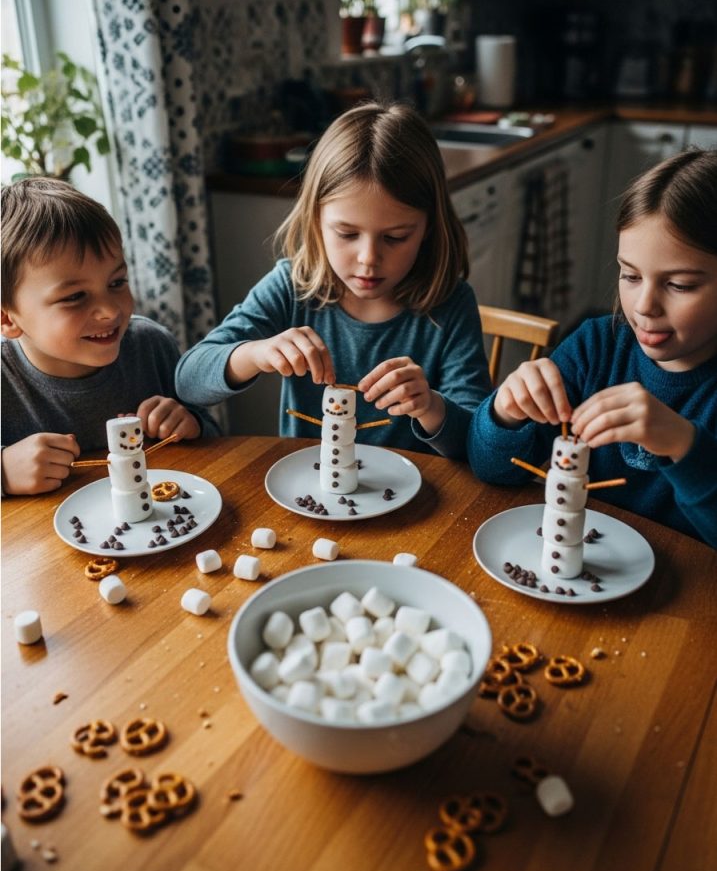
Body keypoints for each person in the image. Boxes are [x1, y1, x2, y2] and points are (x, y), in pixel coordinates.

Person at [176, 101, 491, 459]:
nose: (368, 258)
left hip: (419, 504)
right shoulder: (292, 287)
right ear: (316, 220)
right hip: (312, 499)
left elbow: (477, 443)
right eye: (346, 233)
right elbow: (188, 381)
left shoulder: (451, 304)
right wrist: (256, 352)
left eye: (396, 237)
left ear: (428, 227)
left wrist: (432, 406)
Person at [468, 148, 717, 548]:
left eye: (679, 285)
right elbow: (492, 469)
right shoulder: (597, 346)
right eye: (630, 276)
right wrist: (505, 414)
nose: (644, 305)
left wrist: (682, 443)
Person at [1, 178, 219, 496]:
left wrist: (192, 425)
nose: (108, 310)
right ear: (7, 318)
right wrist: (4, 473)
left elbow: (219, 444)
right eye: (75, 296)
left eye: (117, 282)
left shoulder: (152, 346)